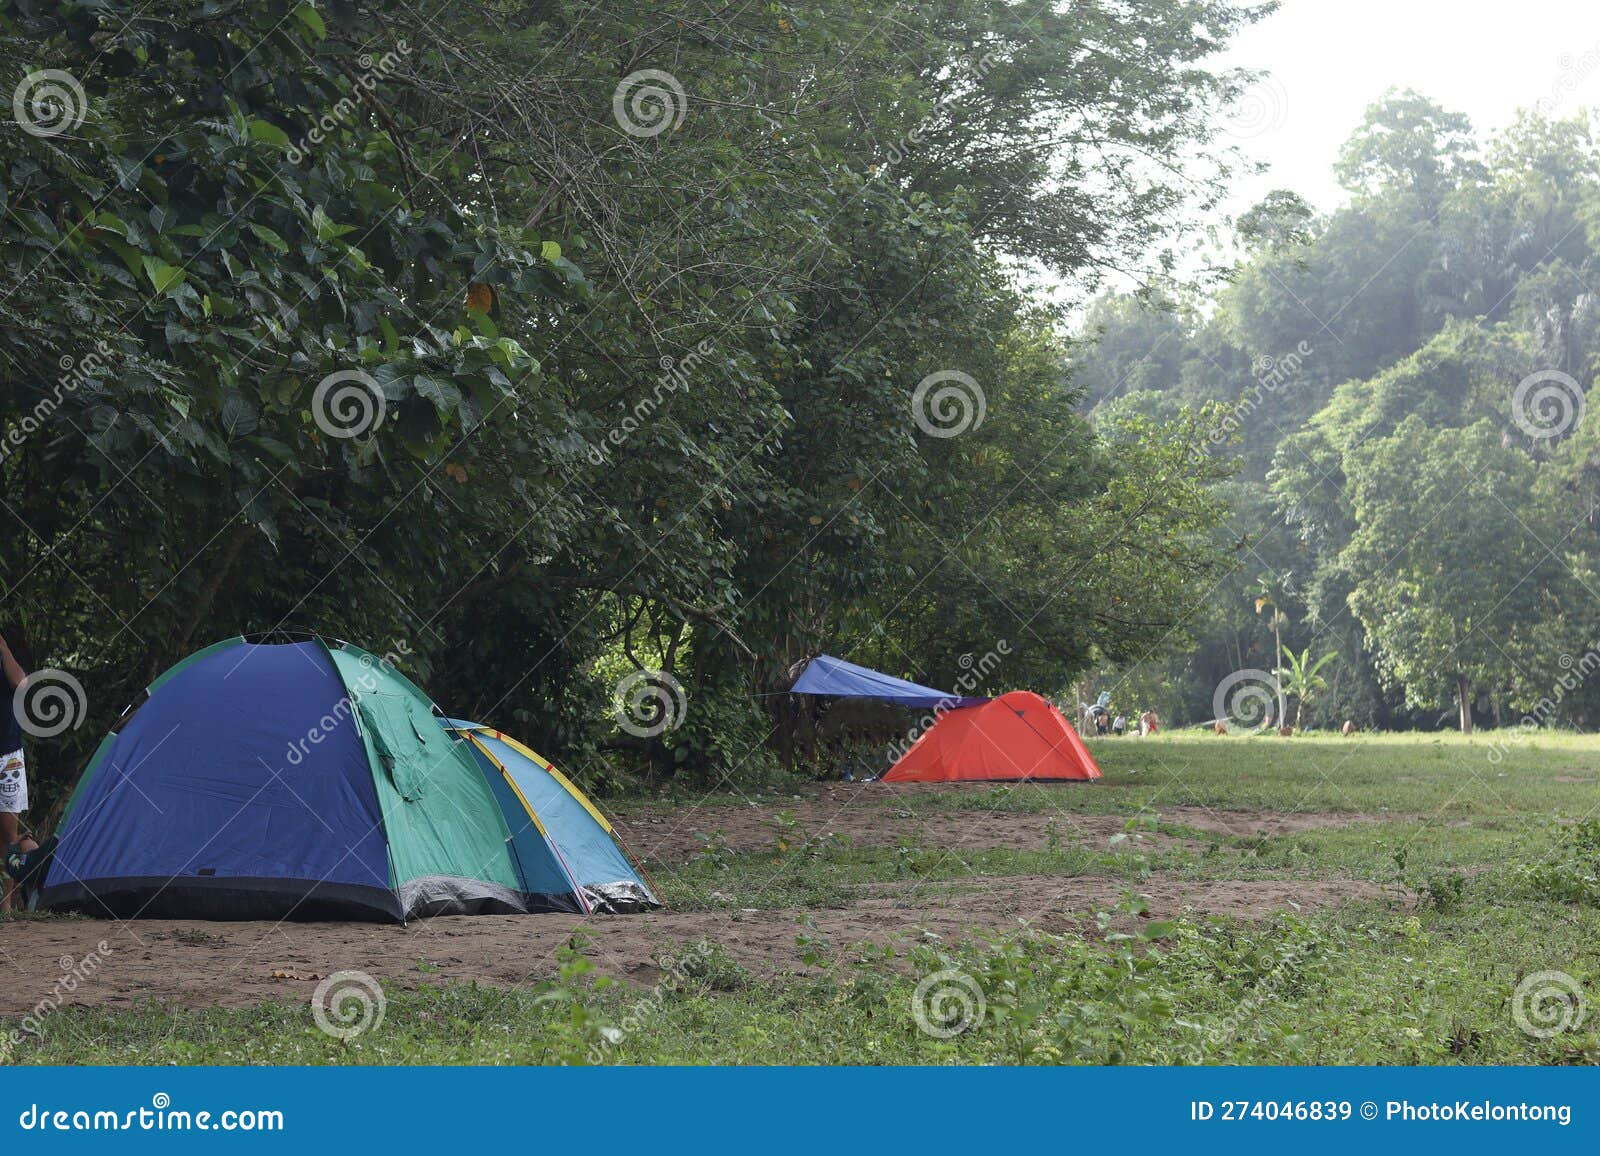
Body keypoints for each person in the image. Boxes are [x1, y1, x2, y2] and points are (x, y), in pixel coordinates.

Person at [0, 634, 37, 909]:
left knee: (9, 835)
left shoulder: (8, 649)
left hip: (8, 755)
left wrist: (3, 646)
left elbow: (21, 684)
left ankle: (7, 903)